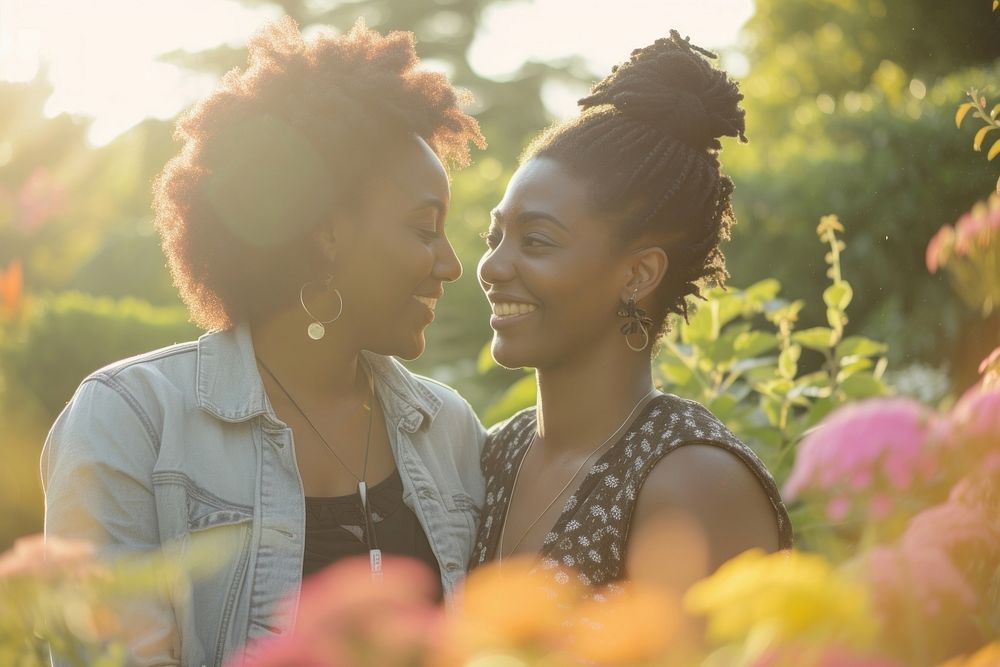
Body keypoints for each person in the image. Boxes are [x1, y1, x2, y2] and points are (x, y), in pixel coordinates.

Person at [41, 18, 486, 666]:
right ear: (325, 233)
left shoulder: (450, 430)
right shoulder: (130, 418)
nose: (450, 264)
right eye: (425, 228)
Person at [472, 31, 793, 593]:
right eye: (494, 236)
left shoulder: (692, 482)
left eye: (537, 241)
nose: (493, 267)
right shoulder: (493, 455)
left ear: (638, 274)